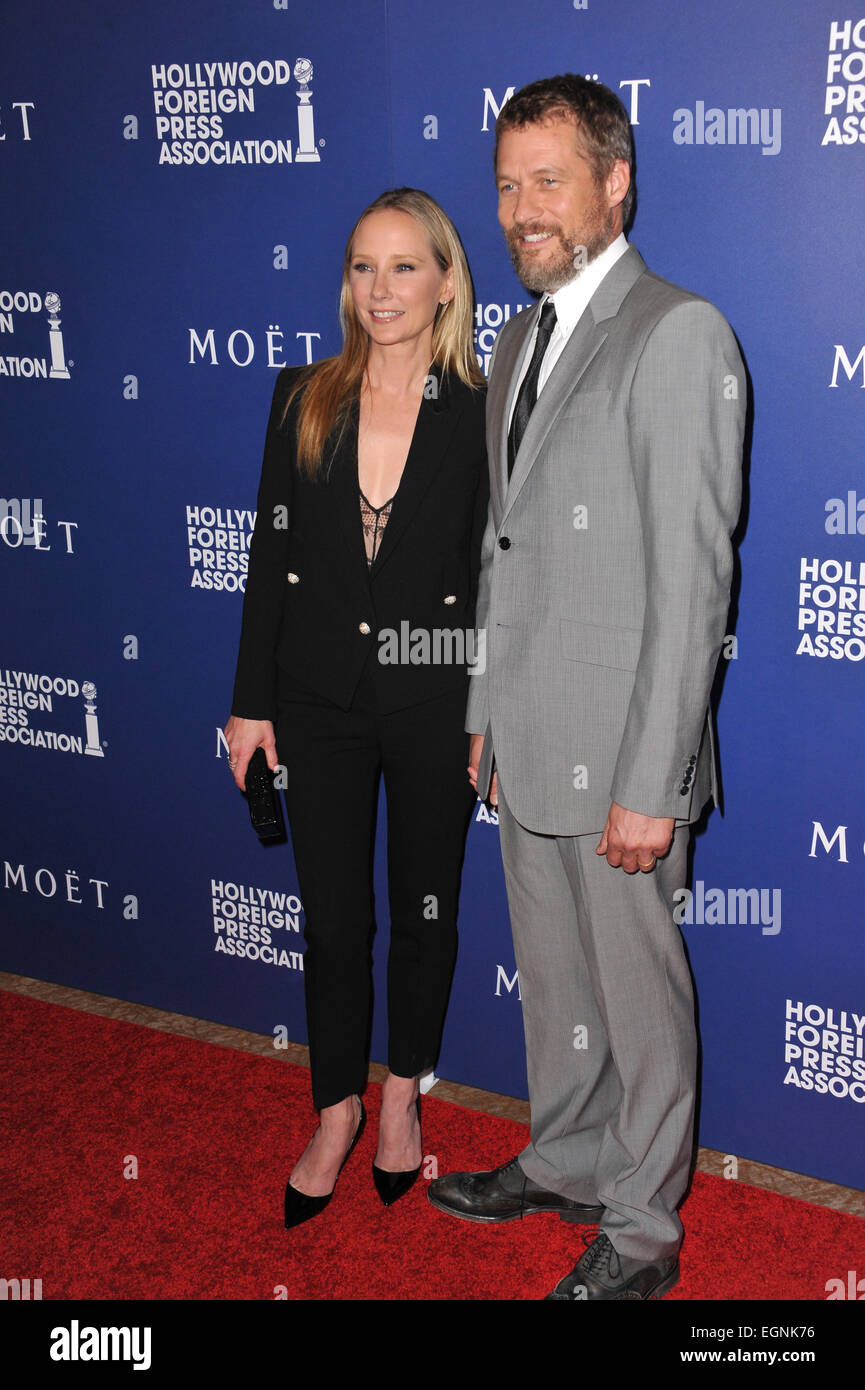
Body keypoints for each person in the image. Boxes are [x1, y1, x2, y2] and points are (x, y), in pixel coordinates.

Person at [427, 74, 745, 1301]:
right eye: (506, 187)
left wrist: (651, 780)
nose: (520, 211)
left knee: (639, 998)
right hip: (528, 732)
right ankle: (563, 1158)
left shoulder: (679, 333)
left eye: (546, 181)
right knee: (556, 978)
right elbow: (502, 551)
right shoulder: (517, 337)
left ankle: (643, 1232)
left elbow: (691, 584)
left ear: (616, 182)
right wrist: (482, 712)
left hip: (621, 751)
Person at [225, 188, 487, 1229]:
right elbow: (268, 557)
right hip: (317, 699)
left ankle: (398, 1102)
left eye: (404, 266)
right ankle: (332, 1107)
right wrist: (250, 707)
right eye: (363, 267)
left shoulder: (480, 406)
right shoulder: (303, 394)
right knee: (335, 923)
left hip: (435, 697)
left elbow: (504, 570)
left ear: (445, 280)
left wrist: (491, 707)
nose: (381, 289)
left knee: (427, 914)